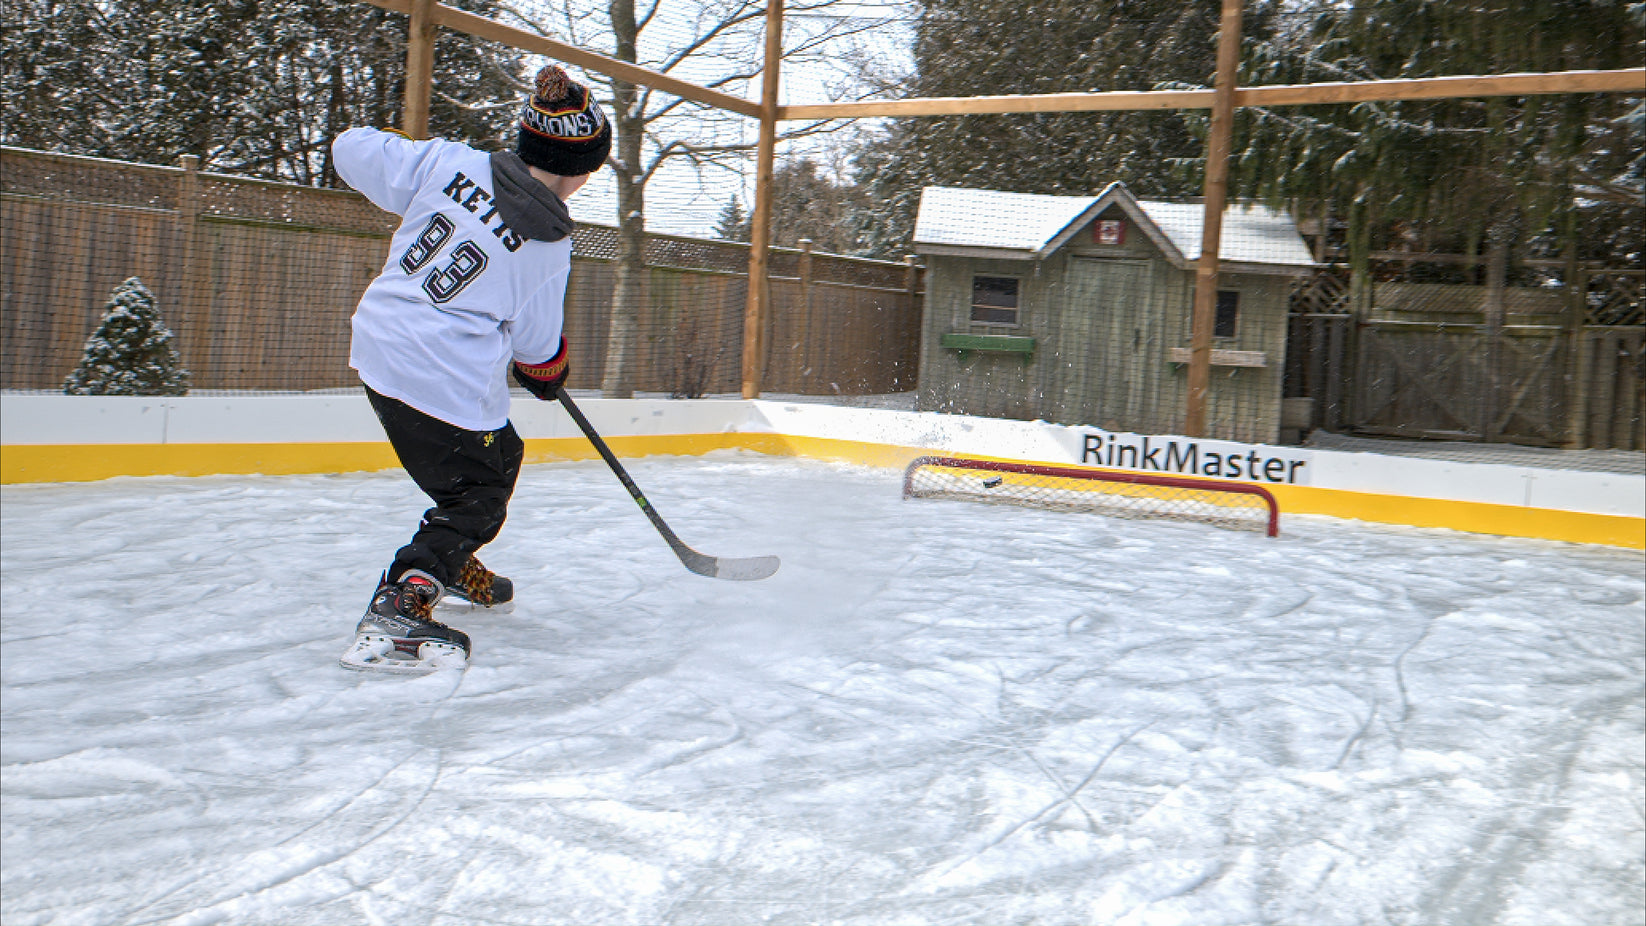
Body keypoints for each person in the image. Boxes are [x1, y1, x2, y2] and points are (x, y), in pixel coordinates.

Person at [332, 64, 611, 673]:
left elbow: (350, 150)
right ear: (585, 170)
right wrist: (548, 372)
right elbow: (536, 347)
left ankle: (447, 560)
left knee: (491, 457)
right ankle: (406, 595)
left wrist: (403, 154)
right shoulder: (549, 244)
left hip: (379, 345)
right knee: (481, 490)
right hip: (444, 376)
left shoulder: (450, 162)